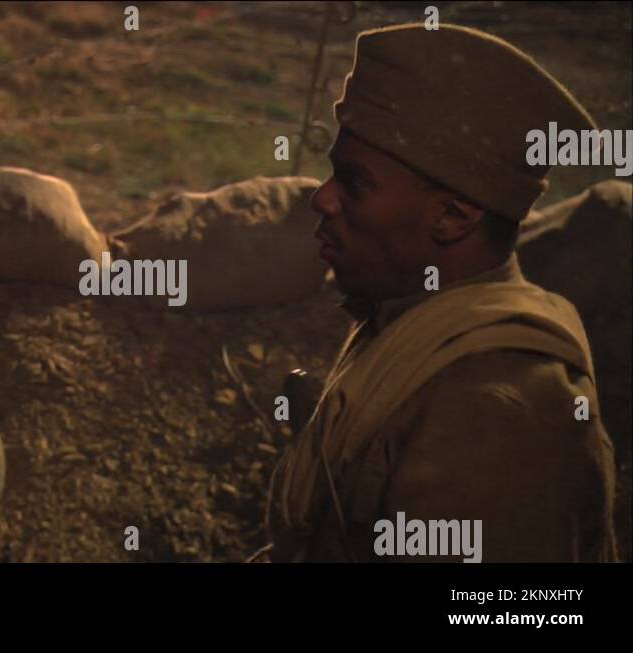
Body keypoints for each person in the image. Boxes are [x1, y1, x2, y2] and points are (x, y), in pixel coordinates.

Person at [261, 23, 618, 562]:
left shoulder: (499, 415)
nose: (322, 199)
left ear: (453, 216)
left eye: (354, 183)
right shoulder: (413, 324)